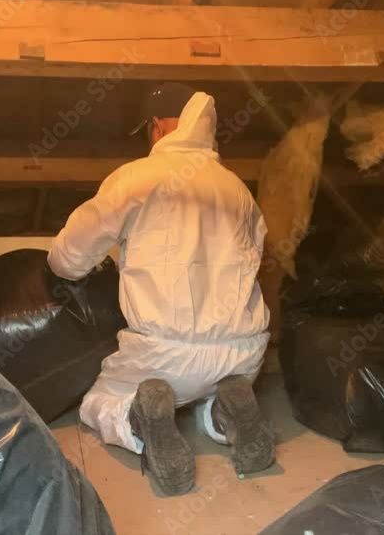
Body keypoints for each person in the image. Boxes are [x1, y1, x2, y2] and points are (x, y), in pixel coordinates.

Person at [47, 82, 273, 495]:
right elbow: (257, 253)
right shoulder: (238, 189)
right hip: (244, 353)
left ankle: (136, 419)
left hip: (163, 355)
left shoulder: (136, 178)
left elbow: (70, 258)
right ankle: (223, 412)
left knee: (98, 403)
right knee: (207, 395)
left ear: (157, 126)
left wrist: (59, 264)